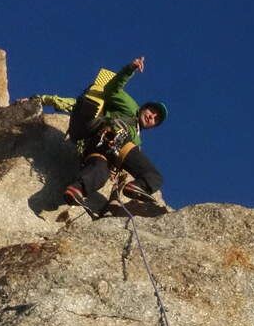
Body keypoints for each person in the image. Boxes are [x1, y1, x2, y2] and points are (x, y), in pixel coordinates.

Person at [44, 56, 169, 217]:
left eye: (156, 119)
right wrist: (130, 69)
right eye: (152, 111)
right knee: (154, 175)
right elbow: (113, 88)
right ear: (144, 107)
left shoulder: (137, 139)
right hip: (104, 136)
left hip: (103, 152)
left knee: (100, 173)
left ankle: (77, 189)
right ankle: (136, 186)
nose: (152, 116)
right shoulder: (130, 106)